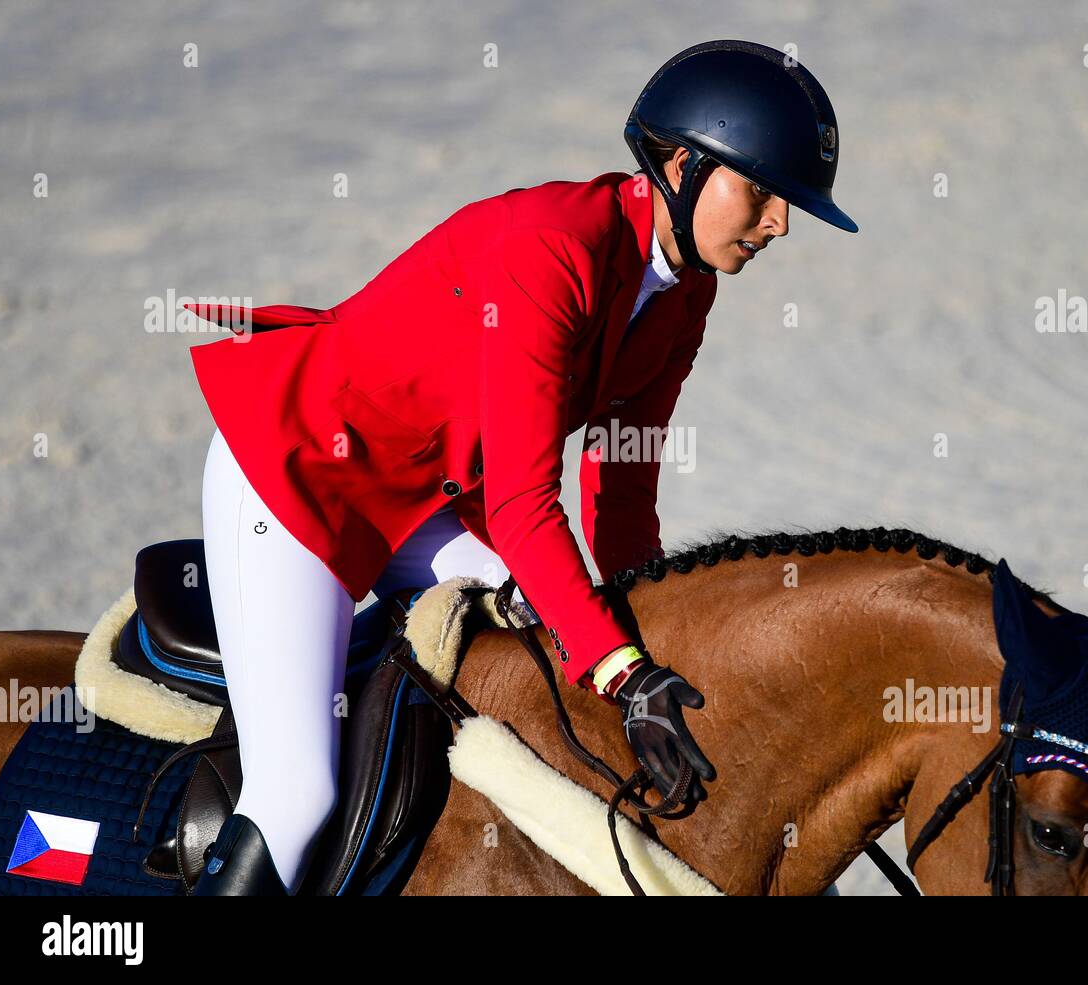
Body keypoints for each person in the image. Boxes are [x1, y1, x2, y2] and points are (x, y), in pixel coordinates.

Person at [186, 39, 858, 895]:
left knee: (563, 641)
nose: (779, 223)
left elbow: (622, 490)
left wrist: (646, 637)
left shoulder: (688, 291)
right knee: (296, 793)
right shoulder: (552, 250)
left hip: (418, 505)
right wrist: (621, 667)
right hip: (294, 473)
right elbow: (520, 500)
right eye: (762, 192)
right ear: (683, 166)